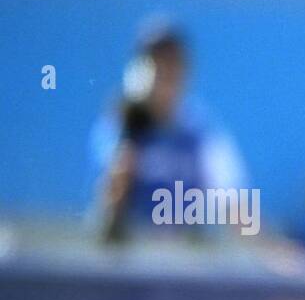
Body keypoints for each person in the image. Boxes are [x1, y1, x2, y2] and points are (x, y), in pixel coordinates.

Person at [91, 18, 248, 244]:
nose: (165, 73)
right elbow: (108, 196)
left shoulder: (200, 128)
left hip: (185, 257)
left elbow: (233, 200)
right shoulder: (120, 122)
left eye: (172, 64)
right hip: (130, 254)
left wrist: (265, 249)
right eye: (156, 62)